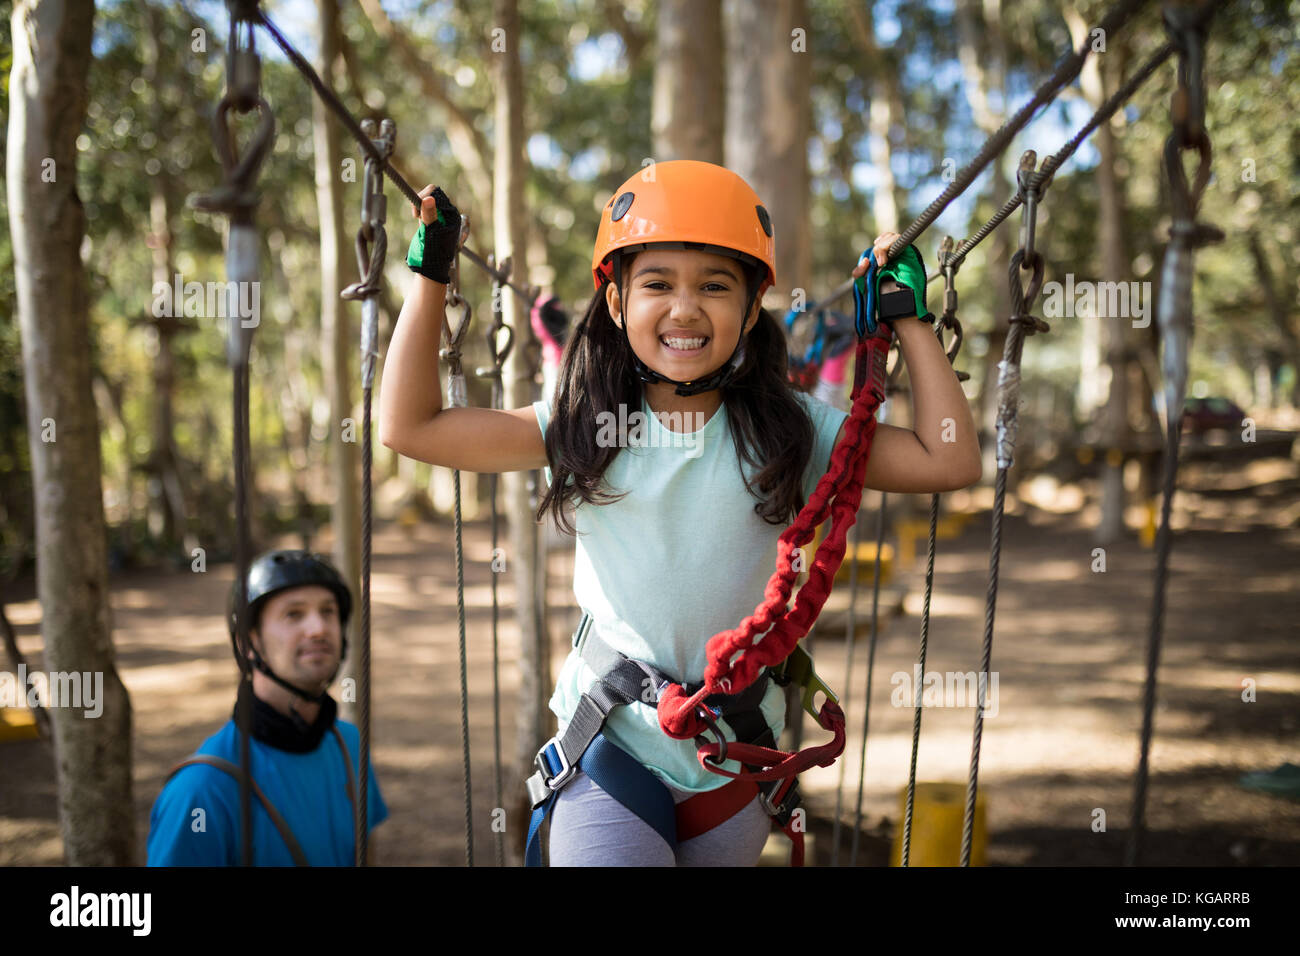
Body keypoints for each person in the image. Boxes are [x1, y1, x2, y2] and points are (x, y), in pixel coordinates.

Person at [380, 160, 981, 866]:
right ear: (615, 303)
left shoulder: (791, 431)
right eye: (658, 284)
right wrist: (430, 277)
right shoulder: (583, 424)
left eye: (715, 287)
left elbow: (950, 462)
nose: (686, 309)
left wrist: (908, 321)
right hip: (615, 743)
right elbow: (411, 427)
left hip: (732, 754)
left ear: (752, 310)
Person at [147, 550, 387, 866]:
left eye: (328, 612)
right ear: (249, 644)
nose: (318, 628)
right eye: (294, 614)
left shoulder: (349, 745)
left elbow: (364, 855)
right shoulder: (200, 793)